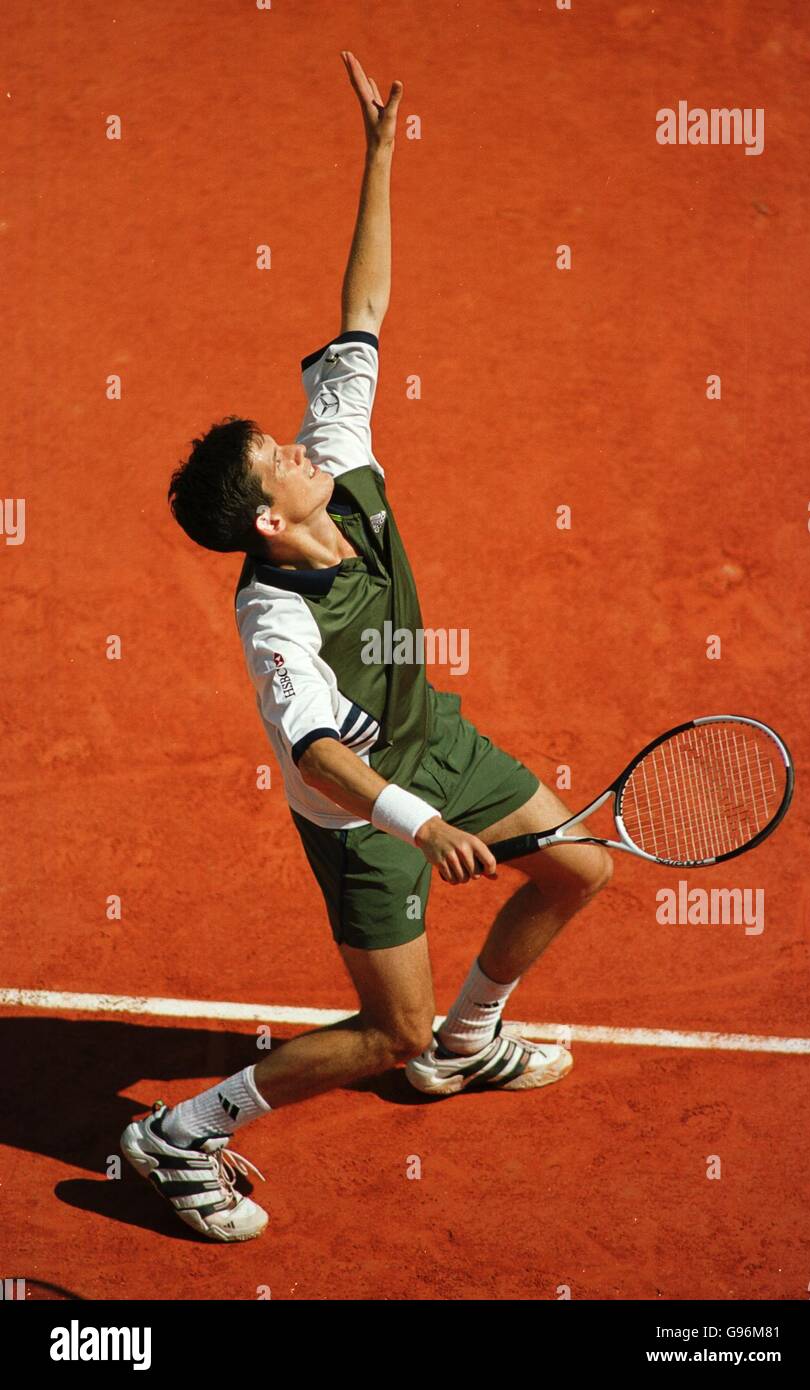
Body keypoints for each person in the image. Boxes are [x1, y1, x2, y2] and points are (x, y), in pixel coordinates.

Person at [120, 50, 612, 1243]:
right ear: (263, 522)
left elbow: (363, 311)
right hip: (365, 812)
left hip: (435, 737)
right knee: (383, 1028)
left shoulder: (340, 458)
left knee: (580, 867)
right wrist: (419, 825)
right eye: (280, 459)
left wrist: (380, 156)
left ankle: (470, 1035)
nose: (302, 445)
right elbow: (322, 758)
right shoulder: (274, 616)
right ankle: (178, 1133)